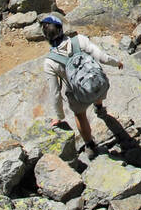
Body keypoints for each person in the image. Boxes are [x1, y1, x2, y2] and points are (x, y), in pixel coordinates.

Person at [40, 14, 124, 155]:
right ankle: (99, 108)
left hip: (78, 94)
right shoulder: (79, 40)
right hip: (97, 84)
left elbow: (55, 93)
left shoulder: (49, 62)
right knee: (93, 83)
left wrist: (59, 116)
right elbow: (102, 57)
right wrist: (116, 63)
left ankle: (90, 145)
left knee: (80, 115)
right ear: (61, 29)